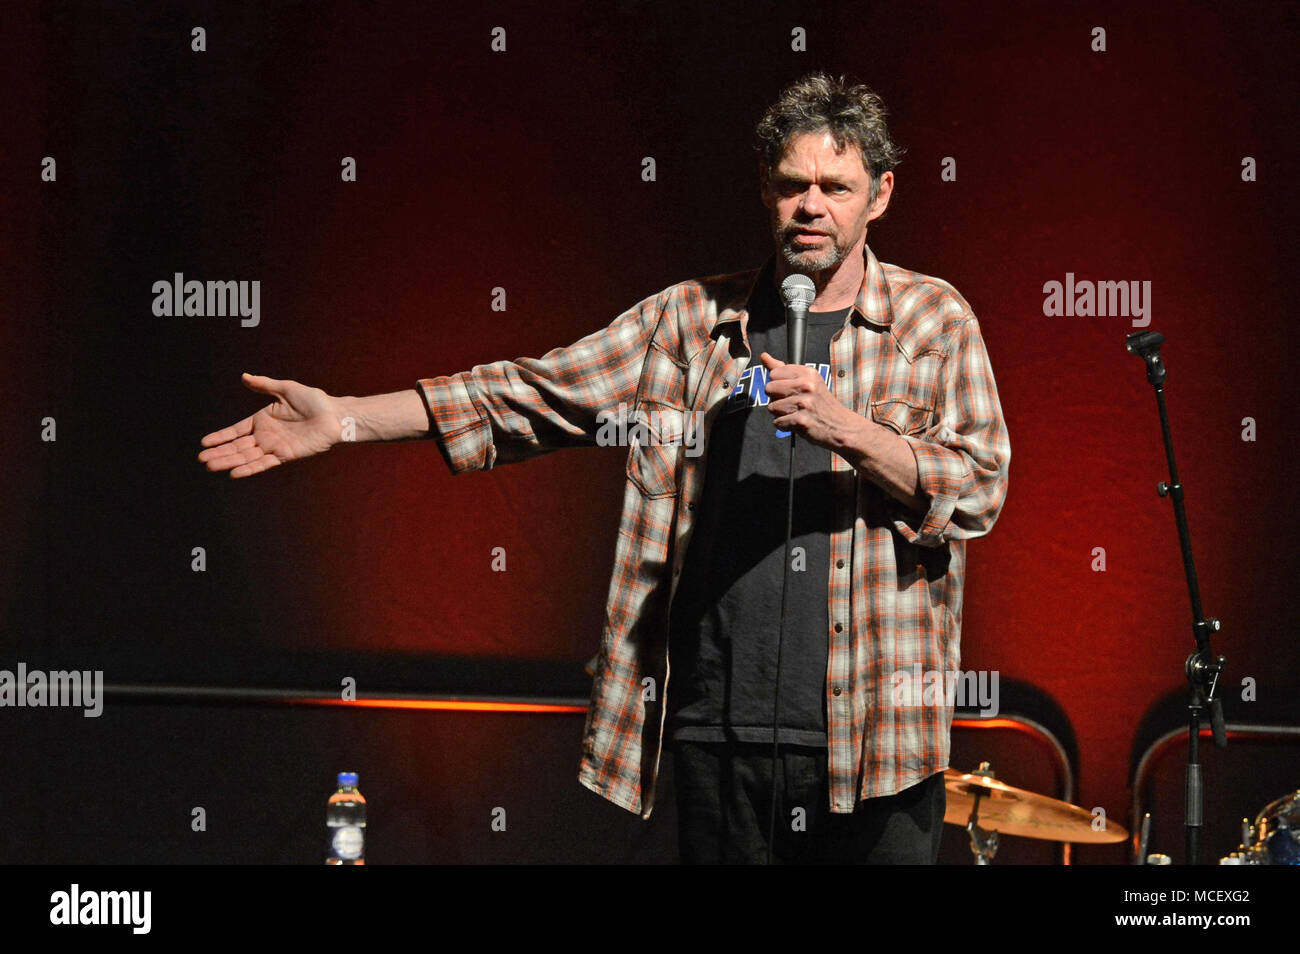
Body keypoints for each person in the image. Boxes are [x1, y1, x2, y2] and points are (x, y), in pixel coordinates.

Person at [198, 71, 1010, 864]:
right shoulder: (688, 323)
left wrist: (853, 432)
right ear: (766, 187)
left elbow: (980, 487)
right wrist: (342, 418)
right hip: (718, 735)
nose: (811, 206)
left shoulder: (933, 322)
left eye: (836, 186)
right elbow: (525, 394)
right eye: (793, 183)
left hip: (877, 745)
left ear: (882, 194)